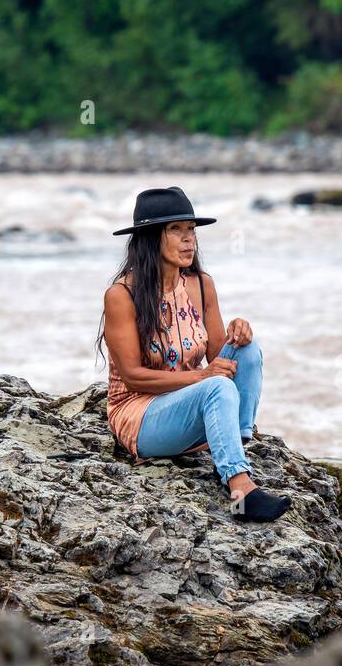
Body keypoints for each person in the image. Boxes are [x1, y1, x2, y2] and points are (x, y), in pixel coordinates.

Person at [95, 186, 291, 522]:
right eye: (176, 230)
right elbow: (132, 376)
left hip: (188, 402)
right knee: (216, 385)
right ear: (150, 237)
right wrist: (202, 376)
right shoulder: (121, 295)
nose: (189, 240)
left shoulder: (201, 284)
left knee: (247, 351)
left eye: (191, 230)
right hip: (140, 417)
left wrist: (239, 331)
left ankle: (234, 449)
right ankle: (240, 488)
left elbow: (220, 357)